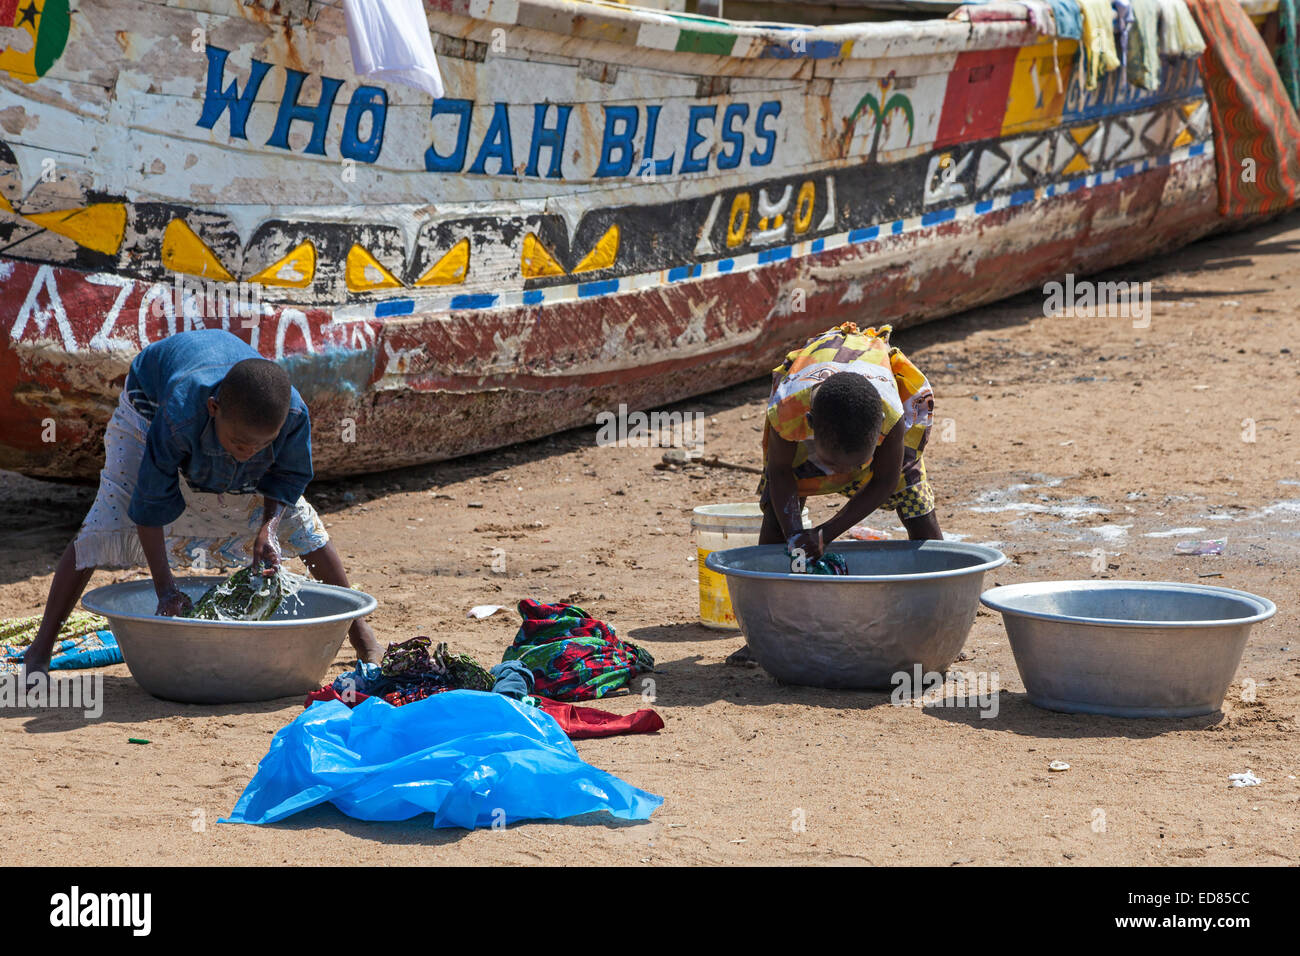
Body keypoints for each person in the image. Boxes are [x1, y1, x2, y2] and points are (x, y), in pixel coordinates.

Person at [21, 329, 382, 679]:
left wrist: (268, 529)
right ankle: (41, 648)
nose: (246, 455)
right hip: (148, 404)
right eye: (239, 443)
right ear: (214, 408)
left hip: (223, 407)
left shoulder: (291, 414)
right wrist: (166, 591)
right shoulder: (179, 414)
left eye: (259, 447)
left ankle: (361, 634)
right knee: (109, 514)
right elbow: (149, 501)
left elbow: (288, 477)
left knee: (299, 521)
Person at [759, 321, 941, 561]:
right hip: (811, 391)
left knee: (914, 498)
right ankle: (765, 576)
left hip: (870, 388)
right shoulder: (787, 412)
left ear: (880, 432)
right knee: (778, 511)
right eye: (832, 464)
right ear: (810, 424)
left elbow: (885, 480)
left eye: (857, 465)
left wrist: (826, 534)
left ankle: (938, 570)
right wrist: (793, 533)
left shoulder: (893, 415)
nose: (843, 474)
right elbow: (780, 472)